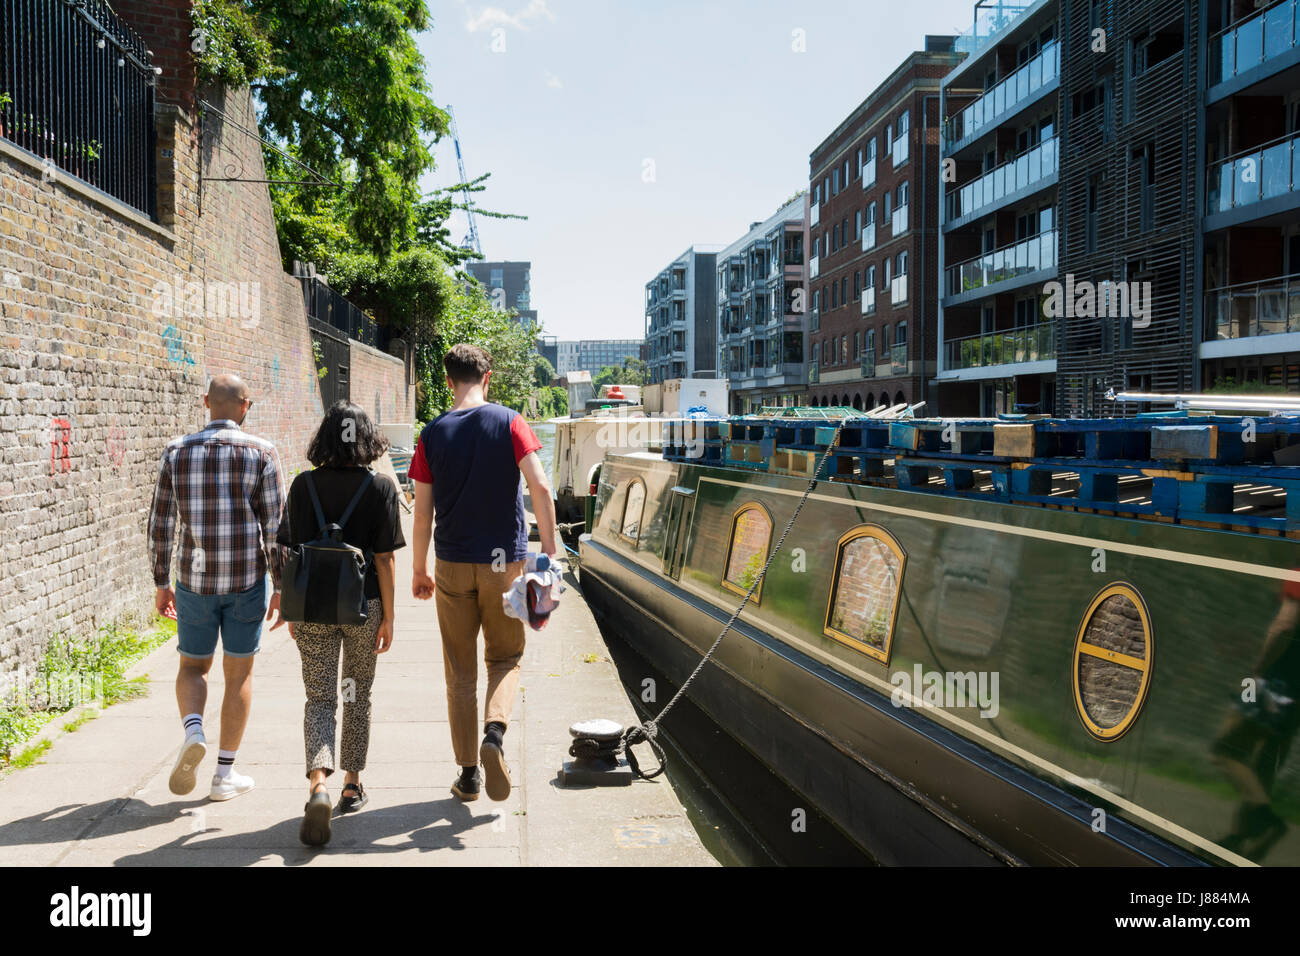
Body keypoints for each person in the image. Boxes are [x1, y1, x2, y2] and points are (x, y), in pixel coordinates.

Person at [409, 344, 558, 802]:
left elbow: (421, 512)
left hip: (452, 564)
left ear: (449, 380)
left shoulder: (432, 432)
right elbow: (540, 485)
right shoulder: (510, 421)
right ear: (487, 377)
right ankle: (494, 734)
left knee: (459, 670)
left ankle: (469, 774)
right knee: (505, 658)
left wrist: (418, 567)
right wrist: (549, 556)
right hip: (504, 563)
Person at [270, 401, 404, 847]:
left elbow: (287, 553)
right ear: (367, 439)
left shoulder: (303, 485)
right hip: (363, 608)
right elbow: (383, 559)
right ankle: (351, 783)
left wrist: (291, 609)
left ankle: (318, 785)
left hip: (312, 608)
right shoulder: (382, 488)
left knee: (319, 697)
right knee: (356, 695)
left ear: (325, 438)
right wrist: (389, 615)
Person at [147, 374, 283, 802]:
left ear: (206, 402)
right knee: (238, 673)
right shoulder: (262, 452)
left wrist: (160, 582)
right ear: (245, 406)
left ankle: (193, 730)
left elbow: (160, 525)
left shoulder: (176, 452)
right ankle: (225, 775)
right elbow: (276, 531)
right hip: (246, 582)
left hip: (193, 582)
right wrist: (281, 587)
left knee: (193, 667)